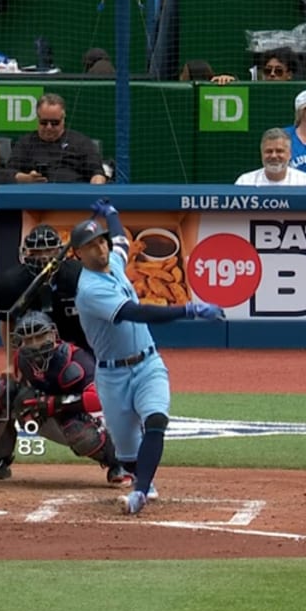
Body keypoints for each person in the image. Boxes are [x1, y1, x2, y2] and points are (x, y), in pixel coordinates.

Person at [73, 198, 225, 515]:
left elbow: (121, 241)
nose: (100, 250)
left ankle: (140, 491)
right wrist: (188, 309)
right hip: (112, 376)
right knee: (127, 453)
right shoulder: (89, 290)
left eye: (100, 243)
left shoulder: (112, 263)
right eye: (91, 247)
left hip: (147, 363)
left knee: (156, 419)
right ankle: (141, 476)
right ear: (78, 254)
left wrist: (112, 215)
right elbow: (136, 312)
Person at [0, 310, 128, 488]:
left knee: (78, 431)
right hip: (43, 416)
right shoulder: (21, 360)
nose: (34, 344)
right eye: (28, 340)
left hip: (86, 419)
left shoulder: (75, 360)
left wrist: (54, 404)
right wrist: (28, 404)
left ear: (52, 335)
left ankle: (119, 463)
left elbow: (99, 399)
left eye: (39, 337)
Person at [8, 93, 106, 185]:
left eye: (55, 123)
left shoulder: (81, 142)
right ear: (38, 119)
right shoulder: (25, 143)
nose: (49, 127)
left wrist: (95, 188)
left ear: (63, 119)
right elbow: (8, 173)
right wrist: (26, 178)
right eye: (44, 122)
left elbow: (97, 173)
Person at [235, 127, 306, 186]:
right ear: (261, 153)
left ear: (290, 154)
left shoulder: (304, 182)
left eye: (279, 151)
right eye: (269, 151)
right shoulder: (245, 182)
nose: (273, 156)